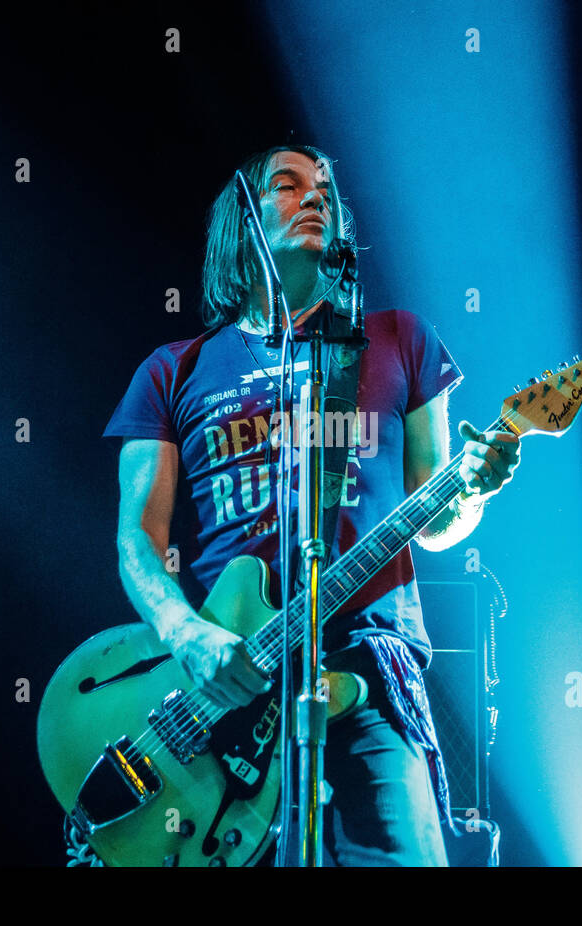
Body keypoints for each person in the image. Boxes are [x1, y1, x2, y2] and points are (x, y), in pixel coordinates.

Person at [100, 145, 519, 866]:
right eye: (288, 186)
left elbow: (440, 521)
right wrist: (184, 632)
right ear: (245, 224)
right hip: (231, 688)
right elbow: (137, 539)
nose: (315, 197)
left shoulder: (397, 340)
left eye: (324, 187)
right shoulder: (173, 371)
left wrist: (472, 488)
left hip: (367, 675)